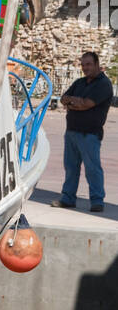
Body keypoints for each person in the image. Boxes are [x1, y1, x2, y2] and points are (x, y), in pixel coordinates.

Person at [51, 51, 113, 213]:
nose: (85, 68)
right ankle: (68, 198)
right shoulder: (79, 82)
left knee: (92, 169)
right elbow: (64, 98)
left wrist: (74, 102)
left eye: (89, 64)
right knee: (71, 167)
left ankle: (97, 201)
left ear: (97, 65)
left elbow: (87, 104)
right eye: (83, 64)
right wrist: (74, 102)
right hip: (71, 132)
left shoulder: (104, 84)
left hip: (89, 134)